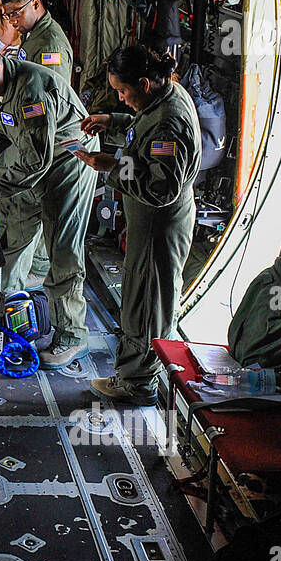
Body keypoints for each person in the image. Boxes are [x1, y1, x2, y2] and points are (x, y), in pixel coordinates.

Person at [0, 44, 98, 368]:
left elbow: (37, 159)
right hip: (29, 160)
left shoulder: (31, 91)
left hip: (70, 161)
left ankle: (73, 336)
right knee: (13, 230)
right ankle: (1, 313)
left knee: (63, 249)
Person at [75, 44, 202, 405]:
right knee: (144, 298)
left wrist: (110, 167)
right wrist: (113, 121)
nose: (121, 97)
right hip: (149, 223)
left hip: (158, 225)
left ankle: (138, 383)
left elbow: (160, 189)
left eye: (123, 92)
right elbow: (142, 130)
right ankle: (137, 374)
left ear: (144, 83)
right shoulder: (163, 97)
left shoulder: (168, 124)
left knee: (146, 305)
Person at [0, 0, 73, 82]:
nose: (12, 21)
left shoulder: (50, 47)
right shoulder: (31, 33)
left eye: (15, 14)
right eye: (8, 16)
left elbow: (52, 94)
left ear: (35, 4)